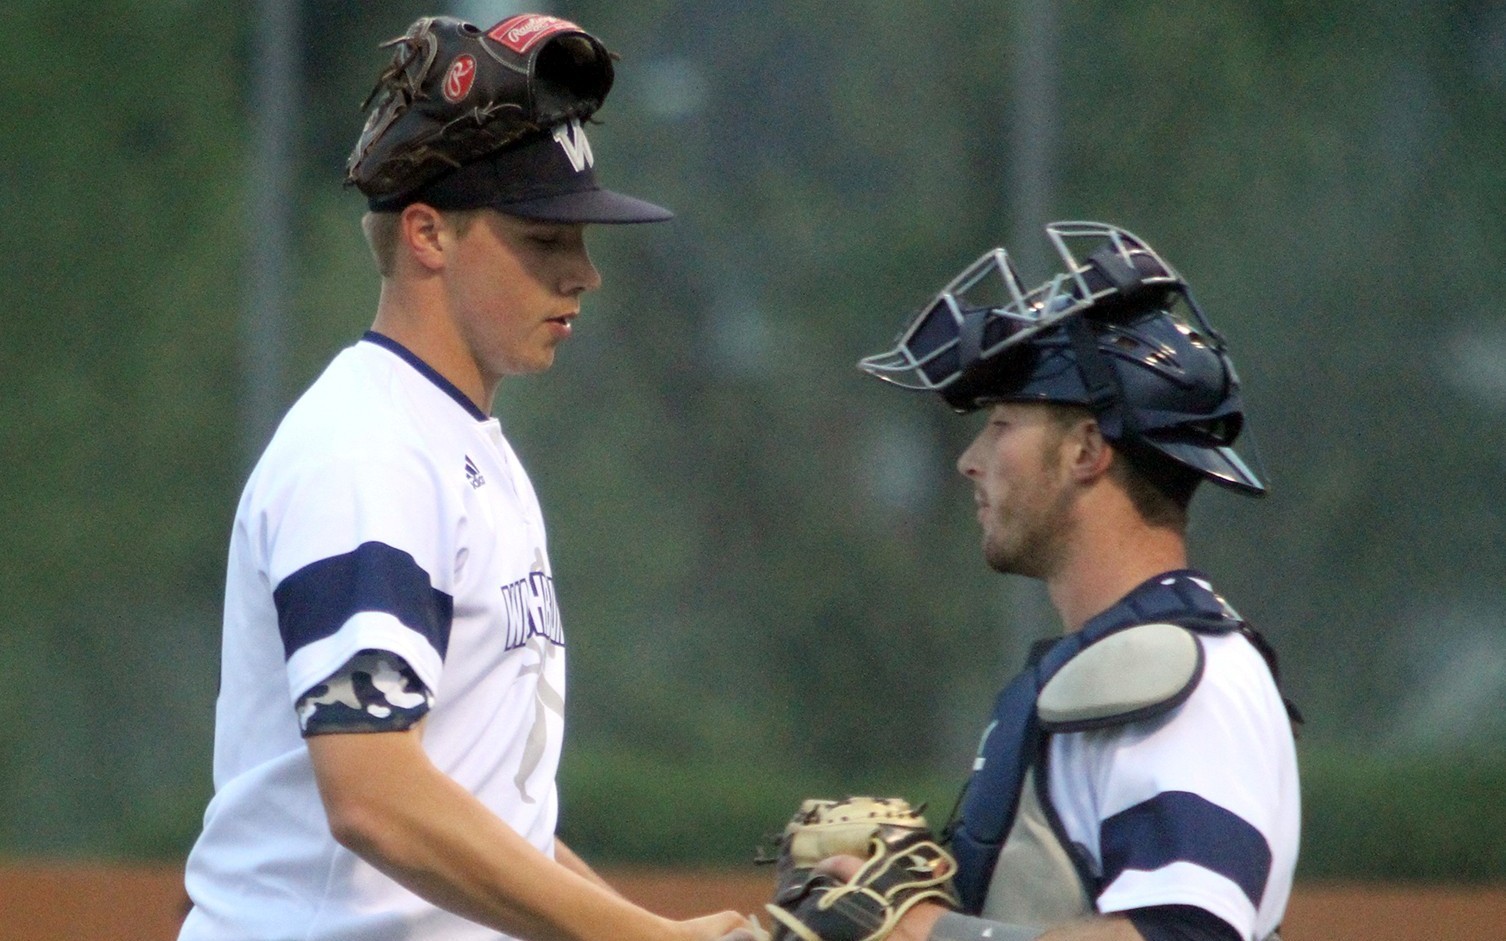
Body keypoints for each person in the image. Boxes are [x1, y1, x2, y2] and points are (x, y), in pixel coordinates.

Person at [178, 13, 754, 941]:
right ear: (427, 235)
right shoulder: (366, 451)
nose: (583, 274)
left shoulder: (459, 441)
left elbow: (487, 807)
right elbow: (374, 794)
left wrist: (651, 927)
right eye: (544, 240)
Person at [793, 222, 1300, 941]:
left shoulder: (1181, 677)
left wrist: (928, 932)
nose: (972, 460)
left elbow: (1188, 936)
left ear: (1087, 449)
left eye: (1001, 423)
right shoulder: (1122, 666)